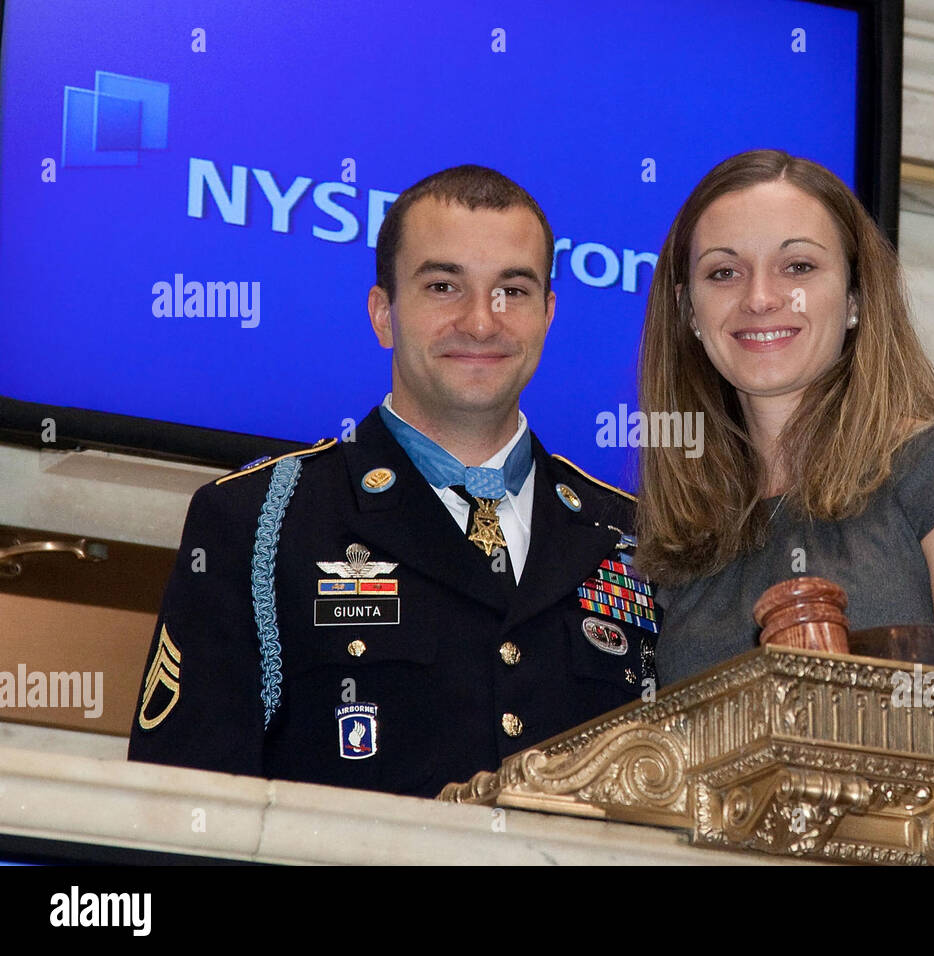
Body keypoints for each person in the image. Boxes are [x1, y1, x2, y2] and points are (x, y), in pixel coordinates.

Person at [129, 166, 659, 797]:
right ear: (383, 314)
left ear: (548, 315)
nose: (482, 322)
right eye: (443, 285)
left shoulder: (634, 539)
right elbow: (178, 811)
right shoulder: (255, 522)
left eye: (512, 291)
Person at [635, 149, 934, 686]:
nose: (759, 298)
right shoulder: (678, 536)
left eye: (798, 266)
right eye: (724, 272)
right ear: (688, 311)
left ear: (854, 298)